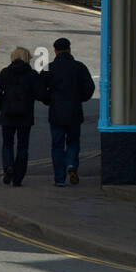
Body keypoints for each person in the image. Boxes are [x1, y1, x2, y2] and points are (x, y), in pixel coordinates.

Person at [38, 37, 96, 186]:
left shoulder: (49, 68)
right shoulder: (79, 67)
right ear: (69, 49)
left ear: (55, 51)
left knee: (57, 145)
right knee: (73, 141)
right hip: (74, 112)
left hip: (56, 112)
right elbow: (90, 88)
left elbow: (40, 90)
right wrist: (79, 98)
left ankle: (59, 179)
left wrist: (49, 100)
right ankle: (71, 165)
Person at [0, 46, 38, 187]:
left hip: (8, 115)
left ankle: (8, 167)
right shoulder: (32, 74)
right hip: (25, 116)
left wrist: (3, 108)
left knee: (7, 144)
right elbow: (41, 93)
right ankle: (18, 178)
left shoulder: (5, 73)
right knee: (23, 147)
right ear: (27, 58)